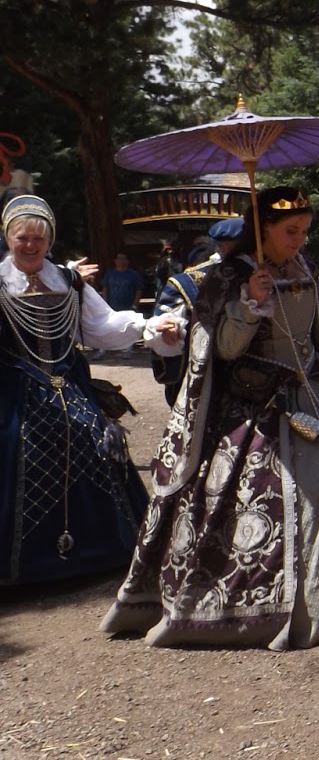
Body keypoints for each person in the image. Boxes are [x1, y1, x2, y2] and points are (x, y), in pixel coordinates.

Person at [102, 187, 319, 648]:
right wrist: (248, 303)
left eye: (305, 231)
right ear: (263, 227)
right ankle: (274, 606)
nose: (300, 240)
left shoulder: (311, 267)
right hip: (256, 410)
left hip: (316, 395)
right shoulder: (229, 276)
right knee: (286, 501)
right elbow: (221, 349)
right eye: (291, 231)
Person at [1, 196, 181, 586]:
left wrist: (149, 326)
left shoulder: (67, 281)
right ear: (7, 237)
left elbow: (102, 326)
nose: (30, 245)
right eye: (22, 237)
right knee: (19, 448)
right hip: (14, 392)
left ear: (50, 241)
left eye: (39, 239)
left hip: (69, 385)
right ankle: (24, 563)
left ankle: (100, 550)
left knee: (93, 440)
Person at [149, 217, 243, 406]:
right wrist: (171, 329)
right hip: (209, 383)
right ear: (223, 246)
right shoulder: (188, 282)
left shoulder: (280, 276)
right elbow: (164, 323)